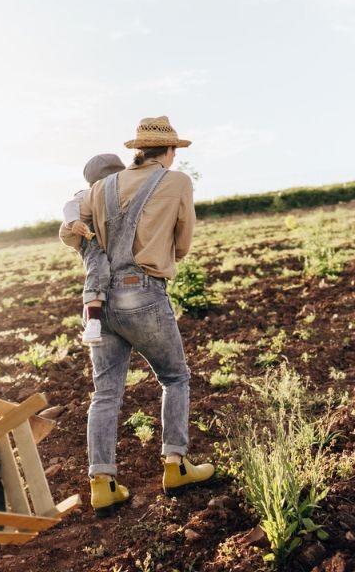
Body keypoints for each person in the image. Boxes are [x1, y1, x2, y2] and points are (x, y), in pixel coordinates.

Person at [60, 116, 214, 516]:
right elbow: (183, 242)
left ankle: (103, 483)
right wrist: (164, 257)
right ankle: (176, 466)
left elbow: (72, 230)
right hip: (143, 292)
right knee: (175, 377)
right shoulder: (176, 182)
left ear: (137, 150)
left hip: (99, 300)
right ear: (169, 151)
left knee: (106, 394)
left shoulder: (101, 188)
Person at [61, 153, 127, 346]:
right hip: (90, 237)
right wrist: (74, 222)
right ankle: (94, 320)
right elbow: (69, 206)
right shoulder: (86, 195)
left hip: (108, 237)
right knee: (98, 267)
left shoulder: (122, 194)